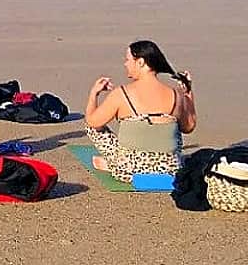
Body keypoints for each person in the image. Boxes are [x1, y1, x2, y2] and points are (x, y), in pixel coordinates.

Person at [84, 40, 197, 182]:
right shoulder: (176, 94)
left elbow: (93, 122)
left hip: (129, 171)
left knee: (91, 126)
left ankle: (112, 165)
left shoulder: (121, 93)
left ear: (141, 62)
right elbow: (189, 126)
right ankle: (159, 161)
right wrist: (188, 93)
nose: (125, 64)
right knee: (173, 126)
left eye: (128, 59)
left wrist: (94, 93)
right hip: (170, 170)